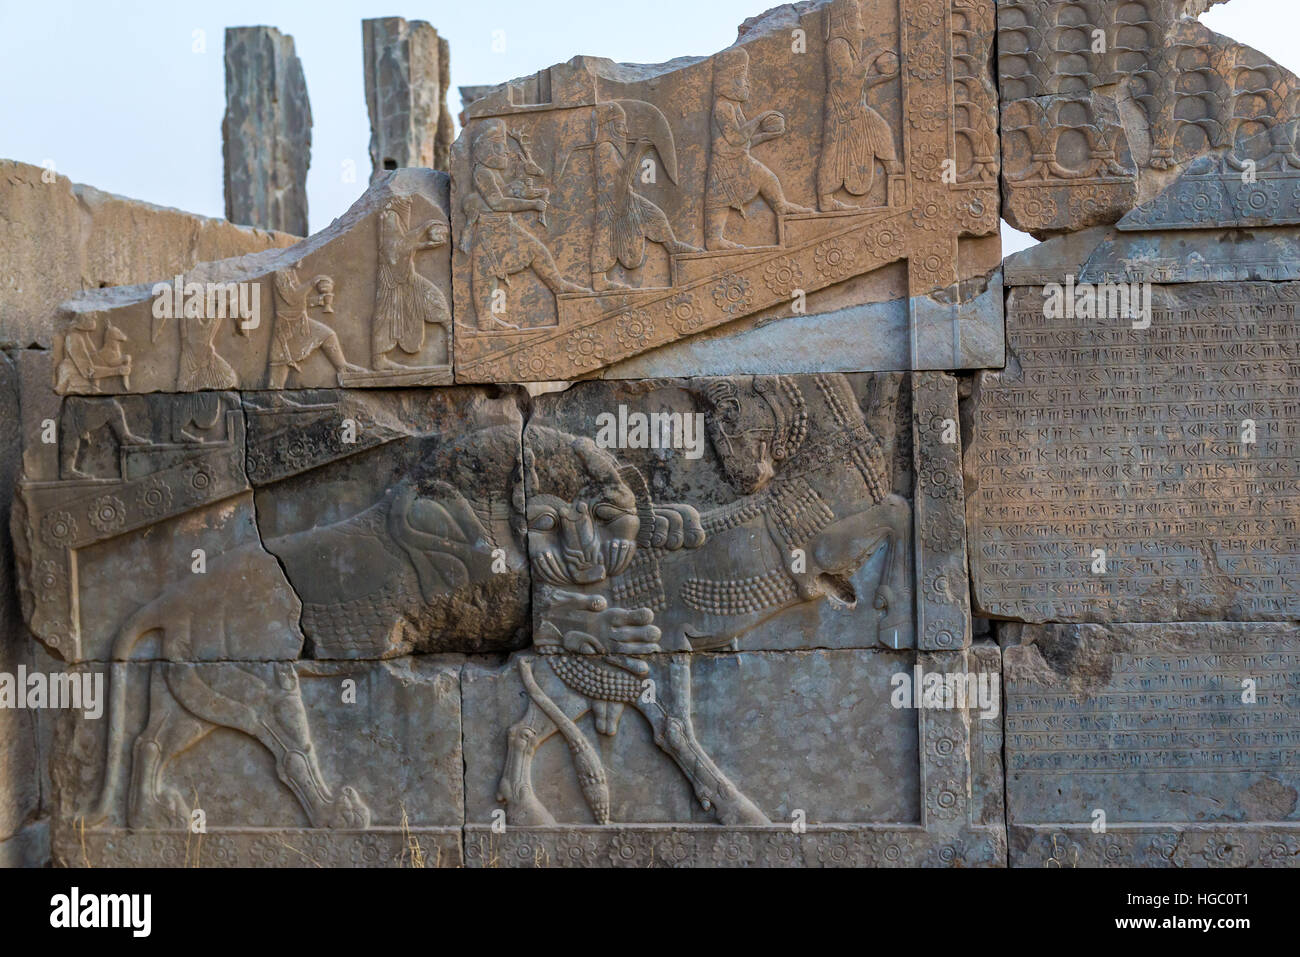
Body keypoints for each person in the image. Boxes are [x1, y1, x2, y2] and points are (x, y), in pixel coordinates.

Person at [704, 47, 812, 250]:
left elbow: (744, 143)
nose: (748, 83)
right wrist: (760, 118)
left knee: (768, 178)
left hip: (739, 160)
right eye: (743, 78)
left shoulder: (734, 106)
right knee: (718, 200)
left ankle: (781, 206)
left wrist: (767, 135)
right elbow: (736, 138)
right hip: (725, 165)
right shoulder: (722, 107)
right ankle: (714, 240)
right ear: (730, 80)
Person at [590, 102, 698, 291]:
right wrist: (638, 151)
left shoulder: (612, 149)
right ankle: (598, 280)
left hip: (625, 198)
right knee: (605, 235)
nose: (625, 131)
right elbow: (621, 179)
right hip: (611, 202)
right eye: (621, 125)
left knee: (654, 215)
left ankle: (672, 246)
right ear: (610, 126)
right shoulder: (605, 148)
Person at [818, 0, 901, 211]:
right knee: (834, 151)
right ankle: (825, 200)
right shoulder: (837, 45)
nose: (862, 27)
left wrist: (881, 78)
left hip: (855, 106)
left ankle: (895, 175)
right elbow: (847, 82)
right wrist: (871, 58)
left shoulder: (845, 47)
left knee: (880, 129)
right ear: (844, 21)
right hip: (841, 111)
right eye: (857, 20)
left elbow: (857, 84)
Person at [267, 267, 364, 388]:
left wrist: (318, 301)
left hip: (300, 322)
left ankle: (342, 366)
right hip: (286, 327)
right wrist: (312, 282)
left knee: (328, 334)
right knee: (278, 371)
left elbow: (297, 301)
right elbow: (292, 299)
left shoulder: (291, 272)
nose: (300, 259)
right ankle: (273, 400)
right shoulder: (280, 273)